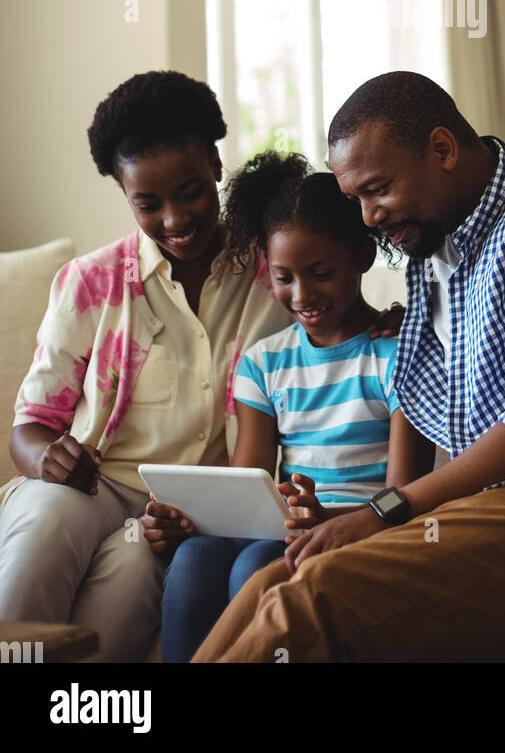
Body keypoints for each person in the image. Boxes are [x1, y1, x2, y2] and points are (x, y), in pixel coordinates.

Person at [192, 70, 505, 665]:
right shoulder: (434, 246)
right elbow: (433, 407)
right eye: (355, 198)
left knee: (311, 599)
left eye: (377, 189)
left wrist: (385, 511)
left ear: (442, 149)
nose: (367, 217)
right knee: (270, 584)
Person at [0, 70, 401, 662]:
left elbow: (330, 286)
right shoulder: (90, 283)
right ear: (125, 195)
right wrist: (44, 454)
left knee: (134, 583)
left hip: (189, 513)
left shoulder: (271, 272)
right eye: (147, 203)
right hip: (90, 485)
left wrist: (392, 320)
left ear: (216, 164)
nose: (174, 220)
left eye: (190, 191)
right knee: (46, 525)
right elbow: (31, 424)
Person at [155, 150, 433, 662]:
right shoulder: (263, 364)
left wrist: (331, 516)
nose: (302, 294)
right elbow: (246, 493)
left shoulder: (398, 356)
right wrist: (184, 521)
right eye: (283, 277)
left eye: (321, 272)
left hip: (367, 525)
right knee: (194, 560)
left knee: (254, 566)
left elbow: (405, 497)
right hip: (291, 527)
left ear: (361, 258)